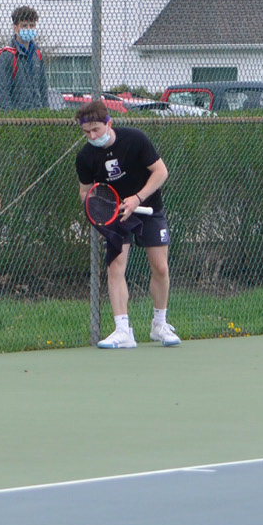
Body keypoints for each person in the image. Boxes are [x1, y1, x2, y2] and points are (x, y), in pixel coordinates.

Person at [75, 99, 177, 348]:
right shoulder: (85, 157)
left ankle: (159, 325)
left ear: (109, 123)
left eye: (96, 130)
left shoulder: (135, 139)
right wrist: (101, 215)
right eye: (86, 132)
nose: (91, 135)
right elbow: (85, 192)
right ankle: (123, 331)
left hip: (149, 207)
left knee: (160, 267)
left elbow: (161, 172)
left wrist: (137, 198)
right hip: (116, 215)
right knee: (115, 267)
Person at [0, 5, 48, 111]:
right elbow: (2, 94)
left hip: (38, 118)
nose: (28, 29)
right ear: (15, 27)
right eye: (24, 25)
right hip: (18, 119)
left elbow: (43, 89)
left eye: (31, 25)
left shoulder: (37, 55)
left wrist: (45, 114)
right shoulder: (7, 56)